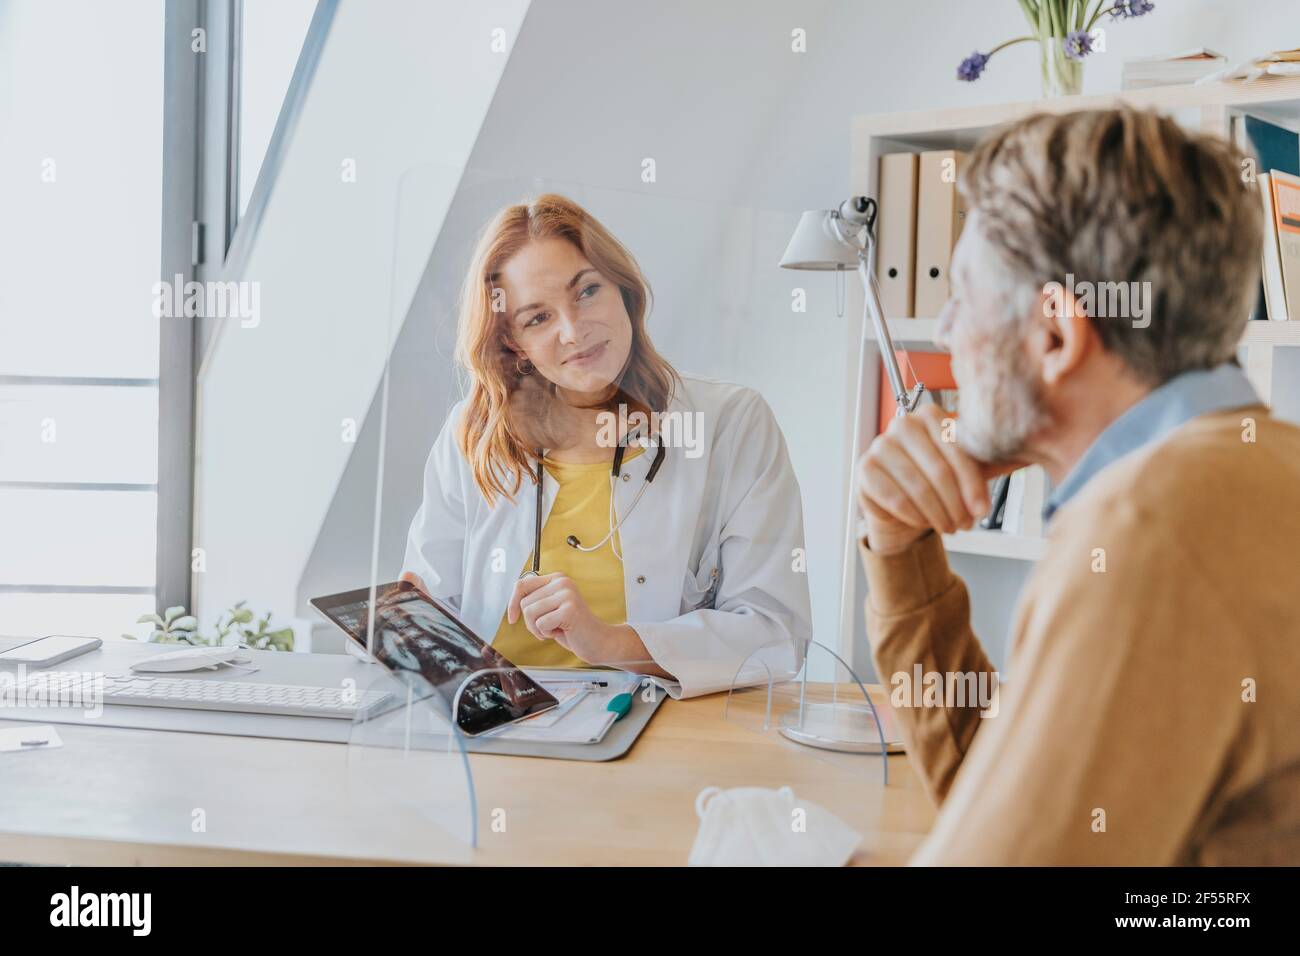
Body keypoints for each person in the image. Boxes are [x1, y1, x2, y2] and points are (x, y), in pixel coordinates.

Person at [855, 107, 1300, 864]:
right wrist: (900, 550)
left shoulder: (1151, 529)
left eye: (963, 294)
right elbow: (1004, 805)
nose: (943, 329)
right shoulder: (1257, 470)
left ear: (1056, 334)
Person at [400, 193, 811, 698]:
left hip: (649, 724)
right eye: (537, 318)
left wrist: (611, 643)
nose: (574, 331)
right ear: (513, 345)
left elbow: (776, 633)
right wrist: (410, 625)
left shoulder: (732, 425)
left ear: (624, 290)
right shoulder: (475, 435)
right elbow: (437, 604)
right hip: (498, 733)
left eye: (587, 291)